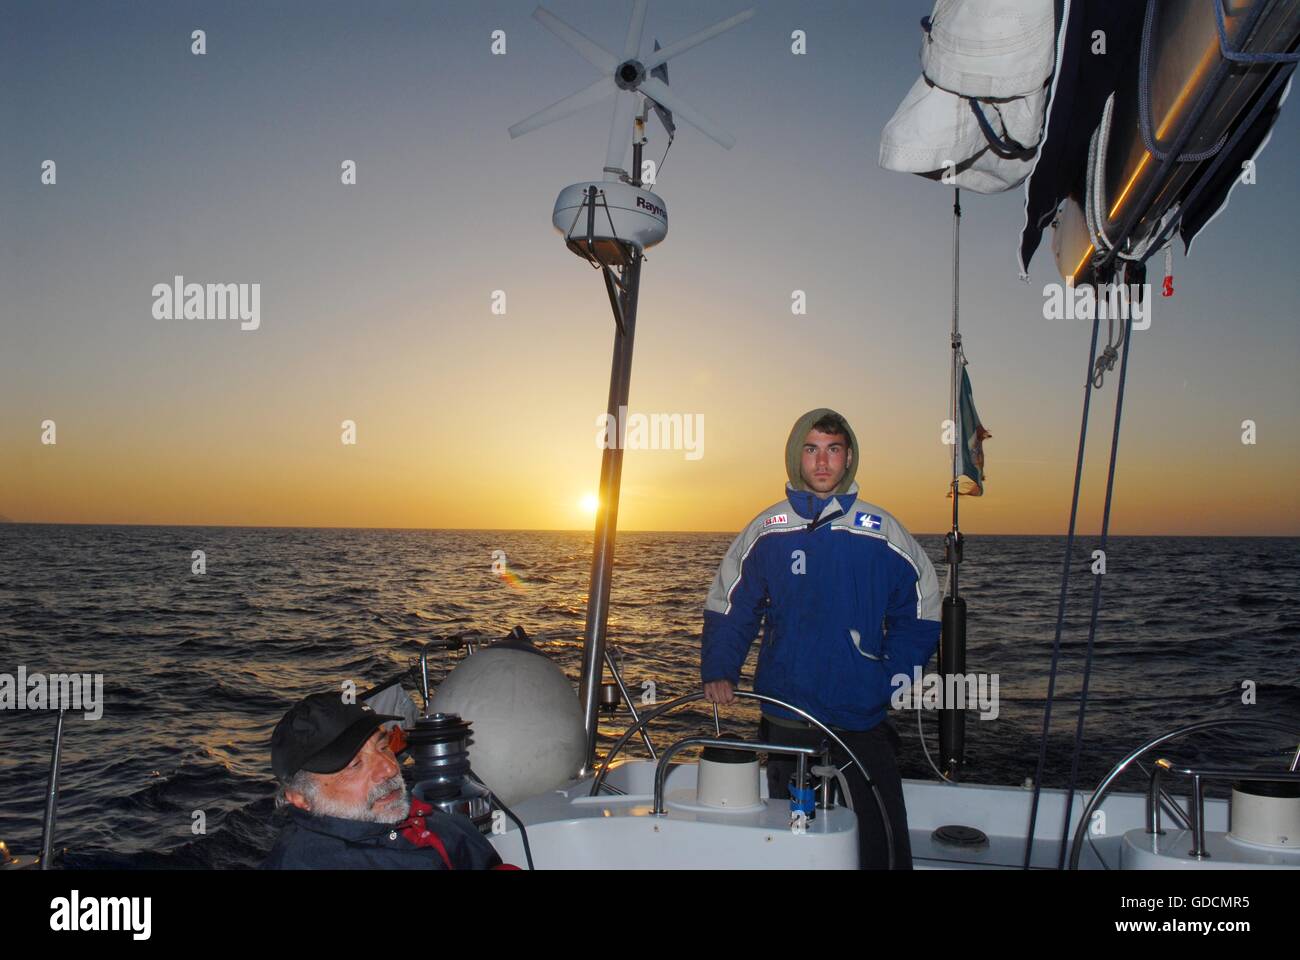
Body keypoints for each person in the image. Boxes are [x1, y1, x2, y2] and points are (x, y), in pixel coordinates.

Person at [700, 408, 941, 869]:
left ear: (848, 456)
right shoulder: (767, 530)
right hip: (785, 712)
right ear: (797, 457)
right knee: (791, 841)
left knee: (881, 841)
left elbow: (923, 606)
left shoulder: (883, 531)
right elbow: (732, 603)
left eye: (833, 449)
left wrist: (893, 676)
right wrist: (719, 669)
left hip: (860, 714)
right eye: (811, 450)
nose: (823, 462)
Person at [263, 692, 509, 869]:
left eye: (384, 746)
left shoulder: (410, 813)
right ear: (300, 798)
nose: (390, 768)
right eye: (355, 764)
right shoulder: (311, 861)